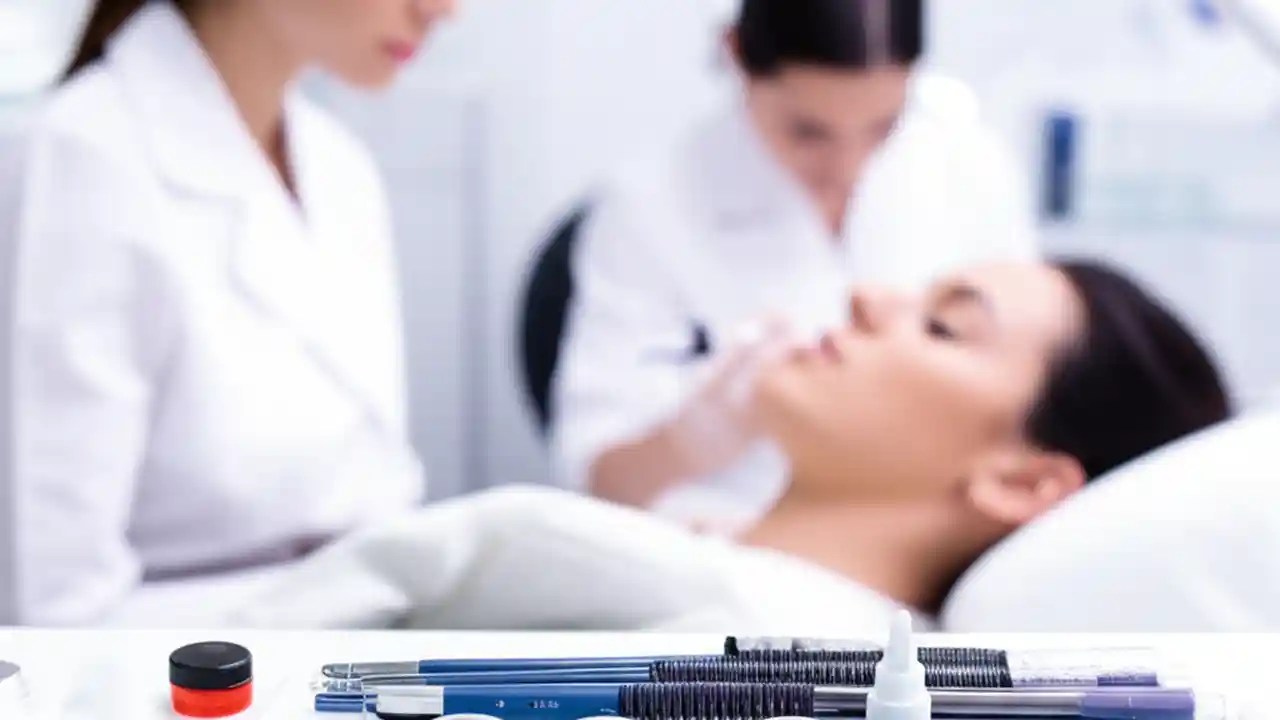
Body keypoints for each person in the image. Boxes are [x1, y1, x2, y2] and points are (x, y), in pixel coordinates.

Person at [235, 258, 1231, 630]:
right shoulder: (712, 571)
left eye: (942, 325)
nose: (867, 294)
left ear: (1019, 482)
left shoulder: (578, 565)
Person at [6, 0, 455, 625]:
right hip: (170, 673)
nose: (442, 10)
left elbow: (376, 503)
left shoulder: (339, 166)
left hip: (356, 643)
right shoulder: (83, 155)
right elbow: (56, 608)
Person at [553, 0, 1040, 529]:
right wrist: (691, 439)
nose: (849, 167)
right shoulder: (651, 205)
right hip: (728, 532)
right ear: (735, 54)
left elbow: (1026, 389)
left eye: (884, 127)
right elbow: (596, 476)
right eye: (809, 132)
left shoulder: (973, 170)